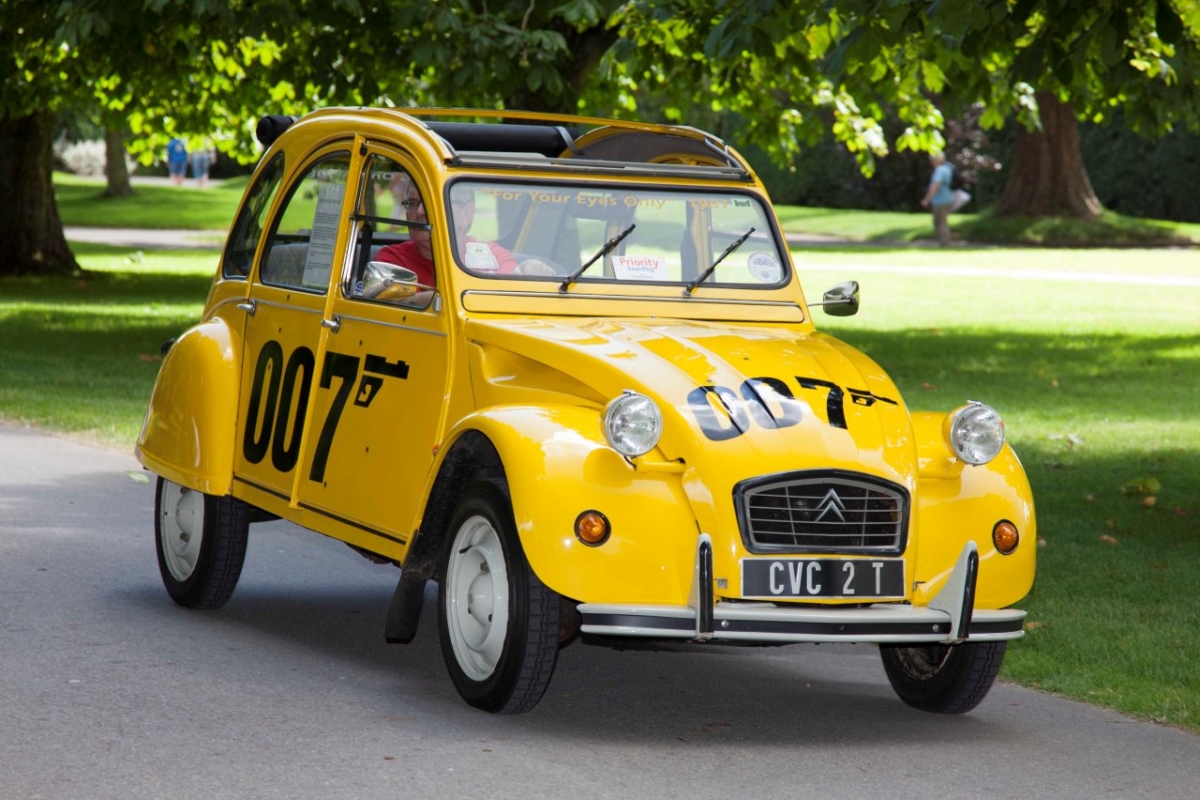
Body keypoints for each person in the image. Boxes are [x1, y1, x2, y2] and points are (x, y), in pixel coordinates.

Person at [375, 182, 553, 289]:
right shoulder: (392, 259)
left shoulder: (494, 257)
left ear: (467, 213)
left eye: (432, 202)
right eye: (413, 203)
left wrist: (531, 271)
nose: (420, 211)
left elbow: (509, 296)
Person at [920, 151, 955, 247]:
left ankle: (945, 243)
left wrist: (926, 199)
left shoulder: (939, 170)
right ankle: (944, 242)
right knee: (941, 221)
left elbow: (935, 186)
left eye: (933, 159)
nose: (931, 161)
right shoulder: (947, 168)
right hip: (947, 198)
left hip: (941, 200)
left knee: (940, 222)